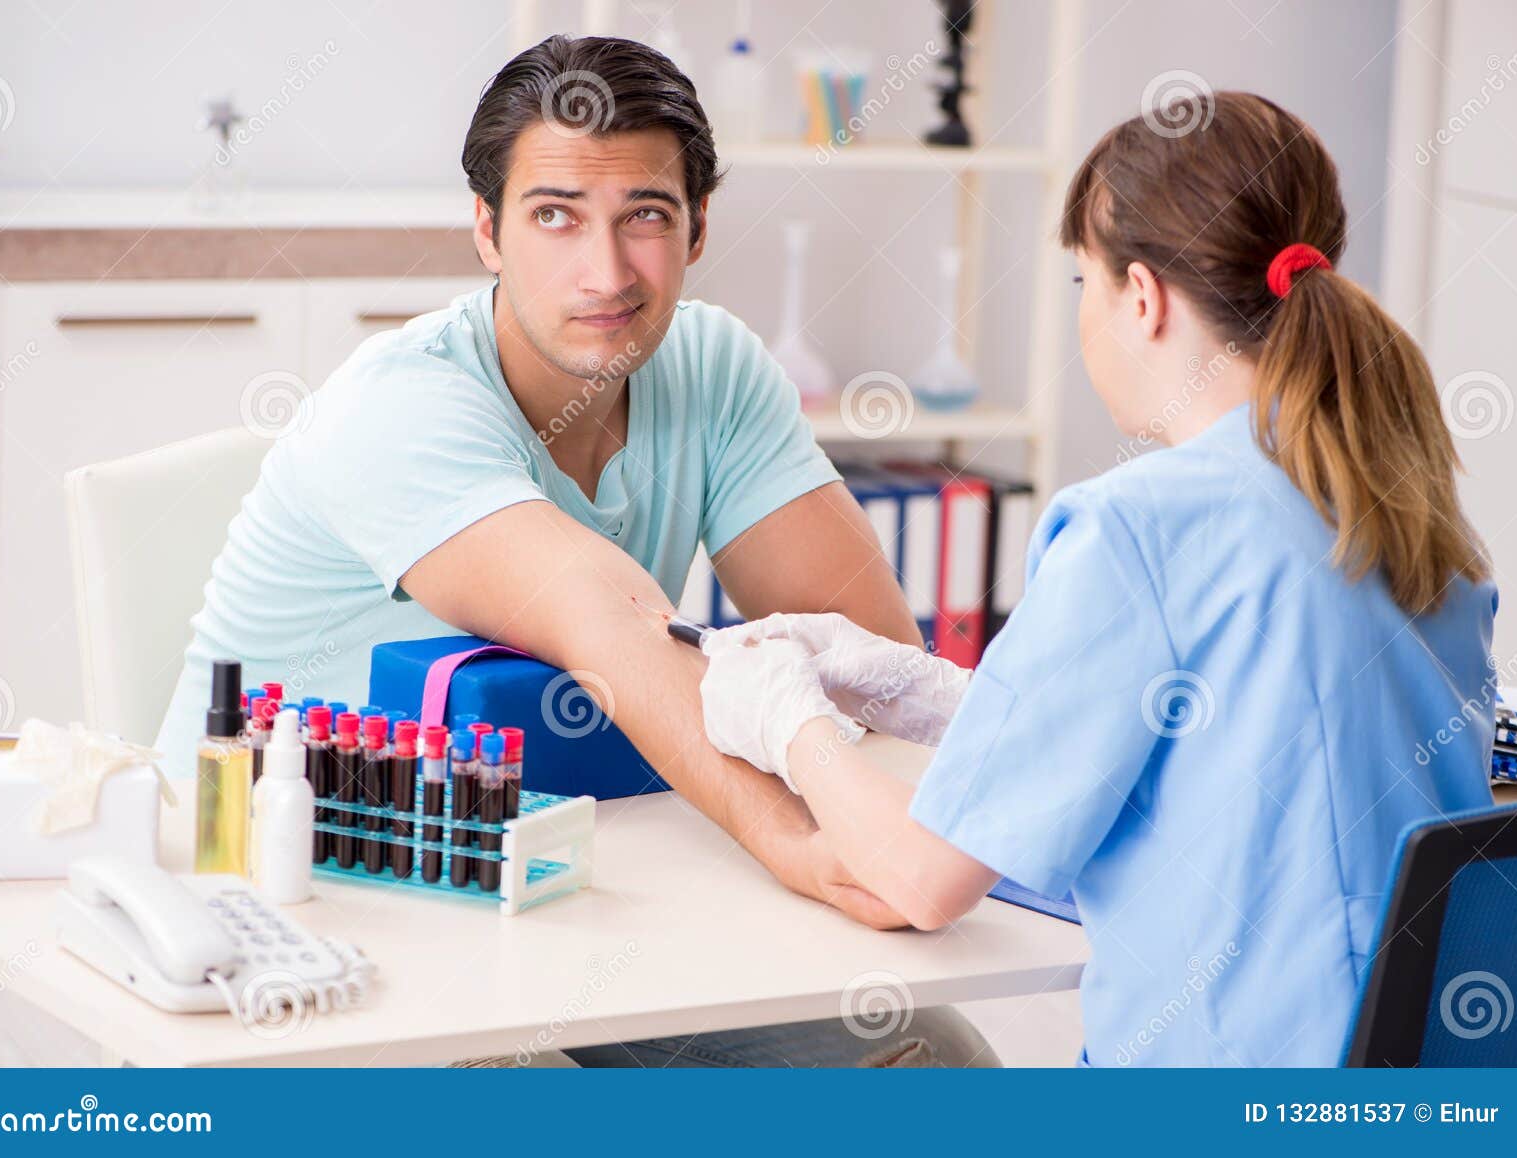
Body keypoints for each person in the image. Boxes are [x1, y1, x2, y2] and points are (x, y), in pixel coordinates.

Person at [156, 35, 988, 1066]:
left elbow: (871, 665)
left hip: (560, 876)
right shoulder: (401, 405)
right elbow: (613, 627)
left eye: (644, 215)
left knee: (925, 1062)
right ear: (487, 231)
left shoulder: (715, 368)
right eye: (554, 216)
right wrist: (792, 839)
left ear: (696, 230)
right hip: (295, 904)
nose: (606, 272)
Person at [697, 92, 1498, 1067]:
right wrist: (945, 699)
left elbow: (920, 880)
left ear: (1144, 297)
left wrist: (788, 721)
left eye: (1083, 279)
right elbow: (1237, 739)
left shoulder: (1138, 529)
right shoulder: (1403, 513)